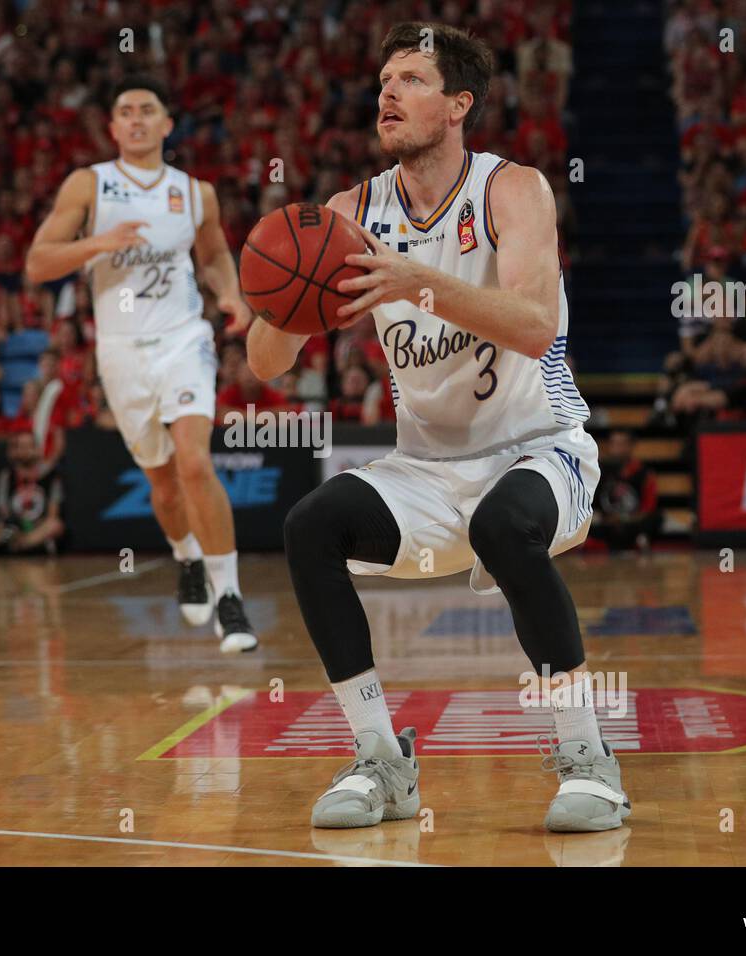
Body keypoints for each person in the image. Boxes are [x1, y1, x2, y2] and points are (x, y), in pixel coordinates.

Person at [247, 23, 626, 832]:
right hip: (425, 469)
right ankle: (382, 760)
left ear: (458, 105)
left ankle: (588, 756)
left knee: (502, 524)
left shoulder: (511, 189)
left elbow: (534, 325)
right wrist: (288, 301)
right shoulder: (349, 214)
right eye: (385, 77)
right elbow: (264, 364)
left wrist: (422, 284)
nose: (389, 91)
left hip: (540, 448)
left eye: (412, 78)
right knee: (310, 525)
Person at [24, 75, 258, 653]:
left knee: (195, 463)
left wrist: (229, 294)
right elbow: (37, 263)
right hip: (121, 348)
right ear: (112, 127)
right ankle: (186, 557)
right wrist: (97, 245)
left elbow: (213, 251)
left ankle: (230, 597)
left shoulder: (194, 191)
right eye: (124, 110)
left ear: (166, 124)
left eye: (146, 110)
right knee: (161, 481)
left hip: (183, 339)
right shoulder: (90, 185)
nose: (135, 119)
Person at [0, 429, 64, 556]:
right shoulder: (6, 476)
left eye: (29, 446)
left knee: (54, 525)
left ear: (37, 449)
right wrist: (13, 525)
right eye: (21, 447)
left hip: (36, 527)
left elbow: (53, 512)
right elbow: (2, 509)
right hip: (11, 528)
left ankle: (22, 544)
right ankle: (13, 543)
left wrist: (32, 526)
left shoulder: (50, 476)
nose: (24, 451)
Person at [591, 431, 660, 551]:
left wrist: (626, 518)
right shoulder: (599, 470)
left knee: (656, 519)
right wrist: (606, 518)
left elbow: (648, 507)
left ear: (630, 446)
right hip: (607, 522)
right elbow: (593, 503)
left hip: (633, 521)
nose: (617, 448)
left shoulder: (643, 473)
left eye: (621, 443)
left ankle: (640, 542)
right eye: (614, 443)